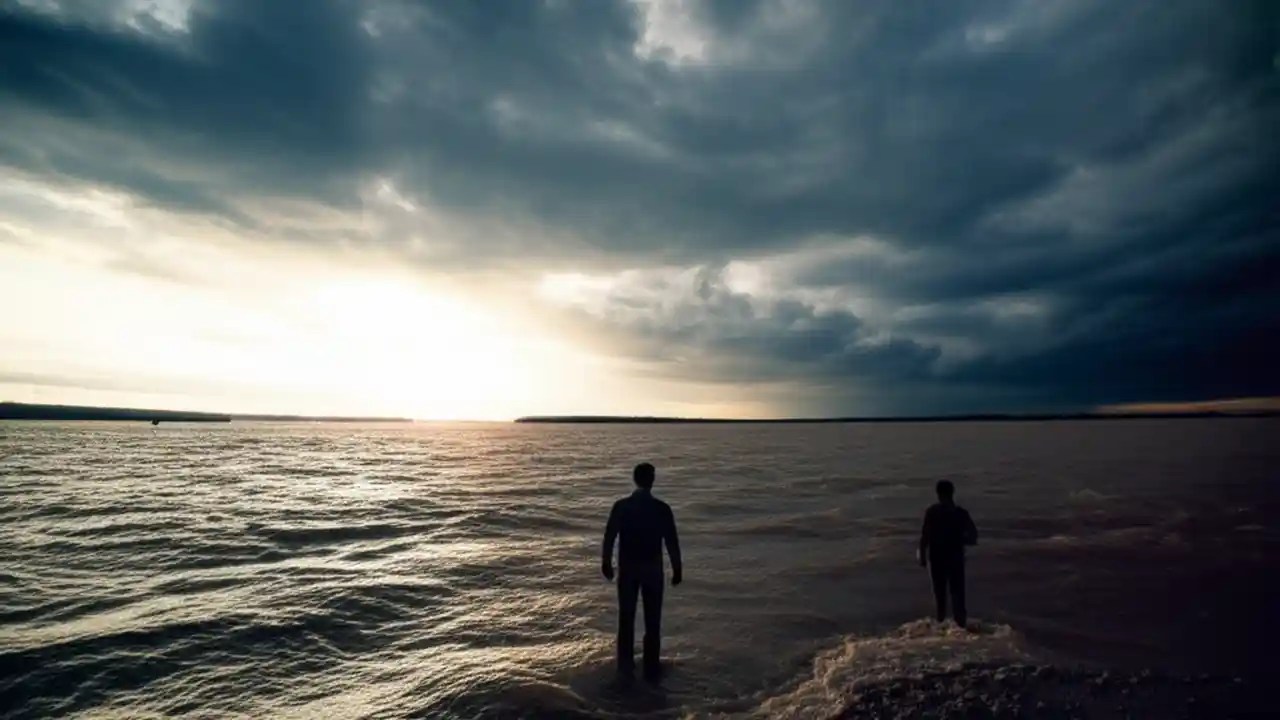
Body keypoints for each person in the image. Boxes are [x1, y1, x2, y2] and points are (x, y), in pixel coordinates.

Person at [602, 462, 682, 679]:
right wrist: (677, 568)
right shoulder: (662, 508)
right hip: (653, 569)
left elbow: (609, 537)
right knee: (652, 621)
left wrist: (606, 562)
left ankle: (625, 668)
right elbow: (671, 541)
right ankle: (651, 668)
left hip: (628, 568)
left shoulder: (621, 506)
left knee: (626, 620)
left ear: (634, 479)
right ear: (652, 480)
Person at [919, 480, 978, 628]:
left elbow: (924, 536)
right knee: (958, 598)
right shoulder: (960, 513)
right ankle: (961, 629)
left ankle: (942, 634)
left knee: (940, 601)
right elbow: (973, 537)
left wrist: (922, 556)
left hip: (936, 559)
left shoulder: (932, 512)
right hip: (955, 559)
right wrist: (960, 539)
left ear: (938, 494)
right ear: (953, 492)